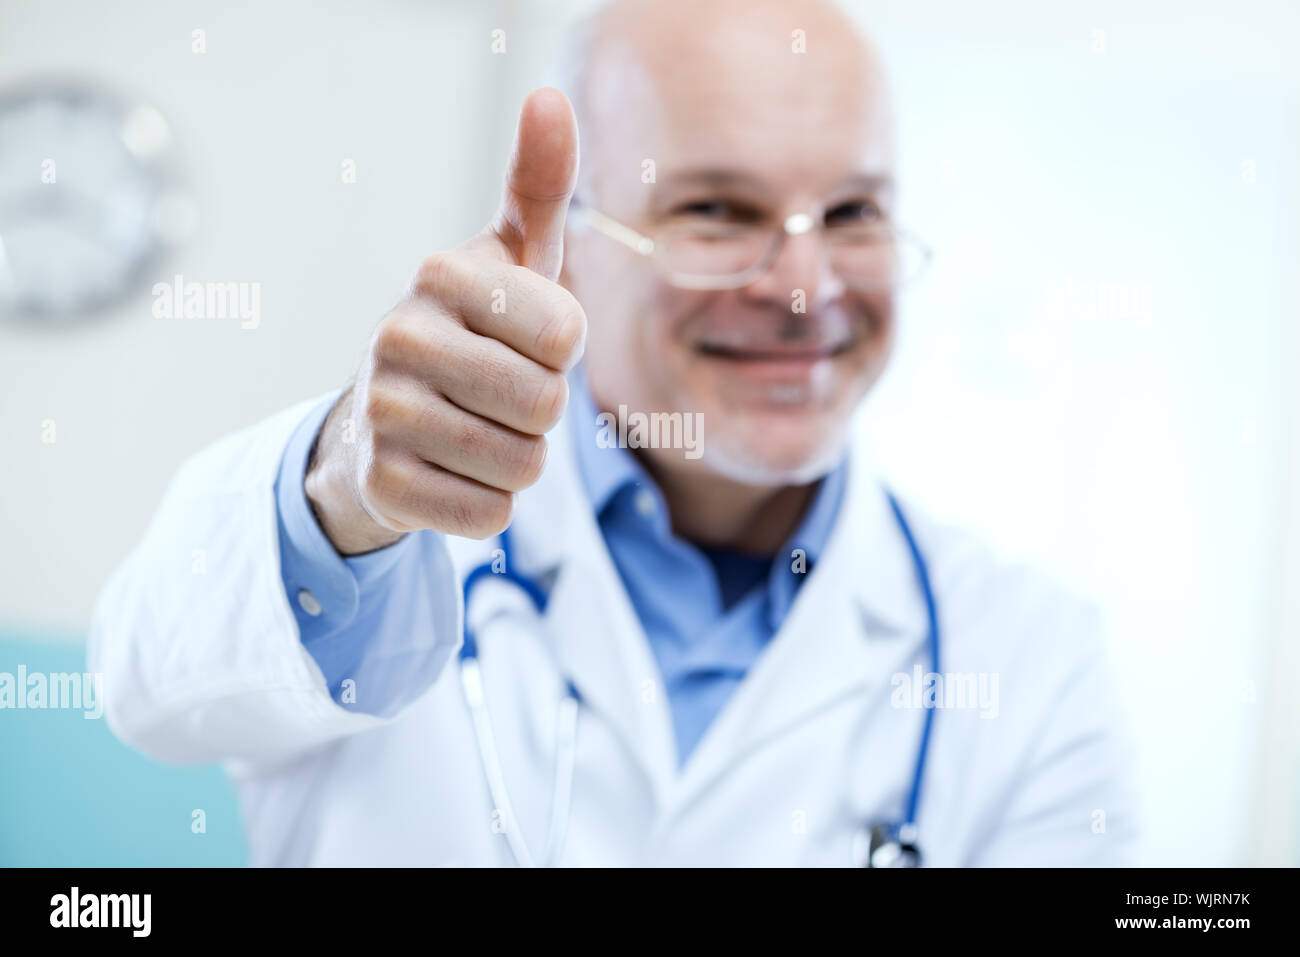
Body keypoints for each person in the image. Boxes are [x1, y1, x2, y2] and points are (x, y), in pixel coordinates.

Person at [89, 0, 1138, 866]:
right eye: (720, 210)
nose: (805, 291)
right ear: (574, 247)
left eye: (854, 212)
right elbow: (144, 689)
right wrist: (342, 490)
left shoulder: (1030, 659)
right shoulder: (390, 560)